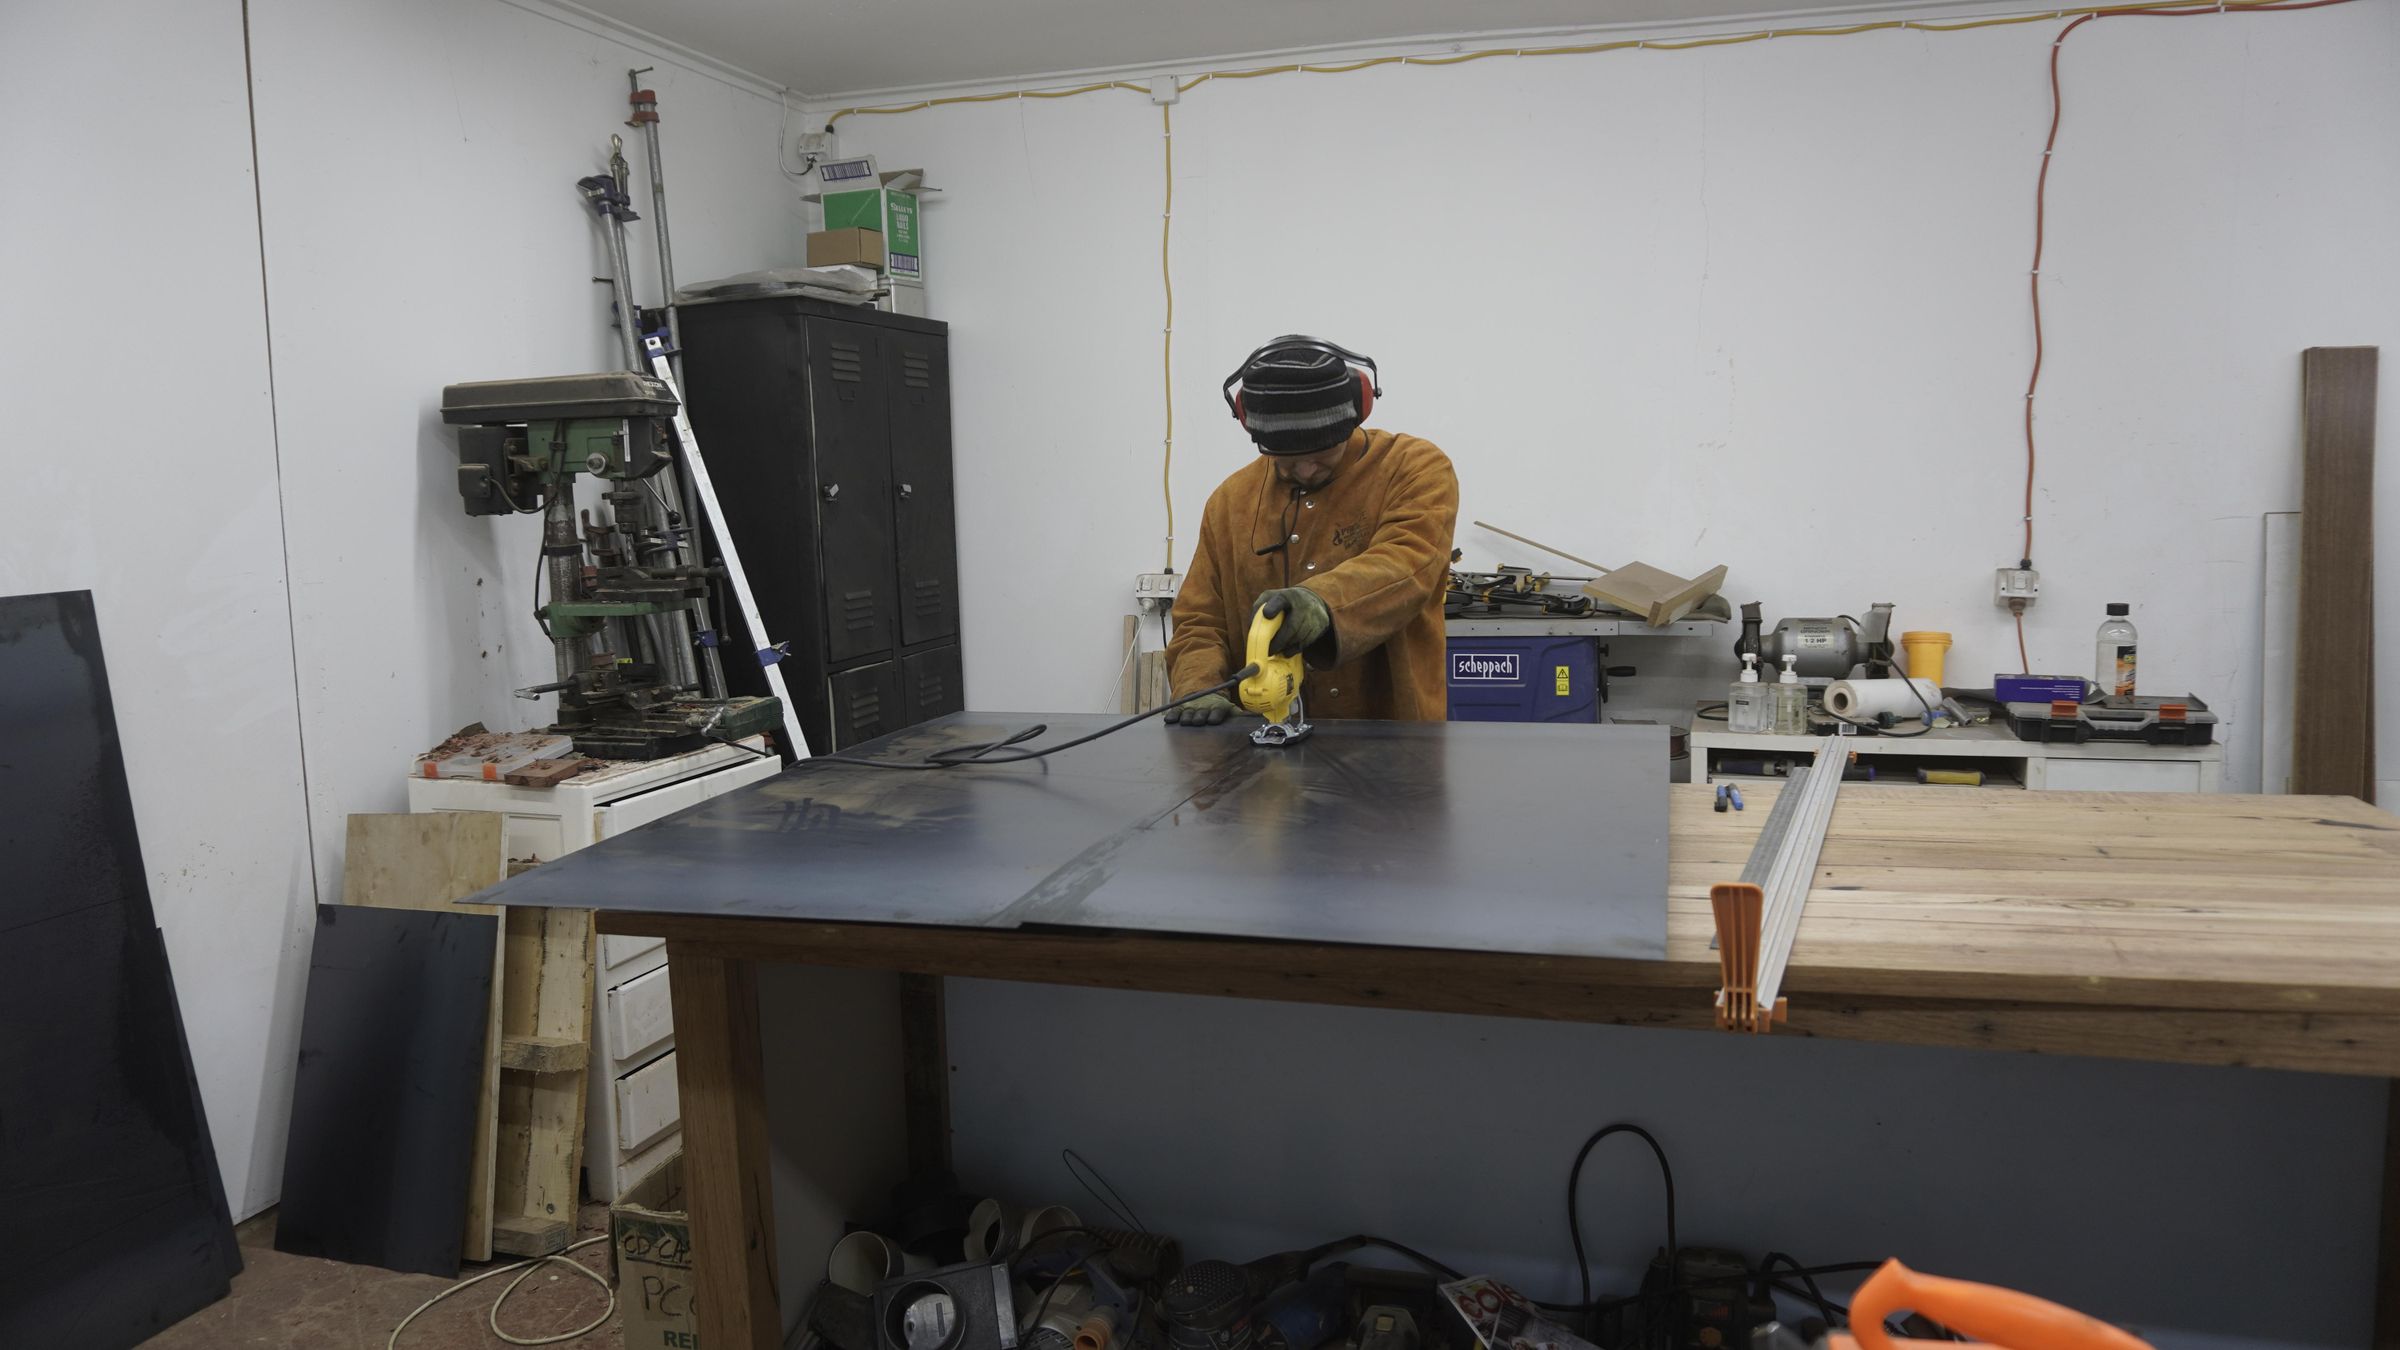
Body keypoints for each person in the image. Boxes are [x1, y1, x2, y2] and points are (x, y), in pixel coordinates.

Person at [1164, 335, 1459, 725]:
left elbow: (1408, 562)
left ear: (1358, 411)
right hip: (1259, 751)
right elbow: (1200, 617)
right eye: (1285, 461)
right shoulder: (1231, 501)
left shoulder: (1415, 469)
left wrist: (1321, 602)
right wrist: (1198, 686)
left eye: (1322, 455)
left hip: (1393, 741)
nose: (1304, 471)